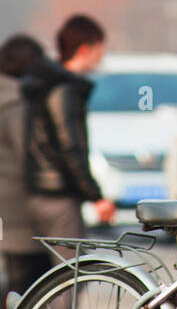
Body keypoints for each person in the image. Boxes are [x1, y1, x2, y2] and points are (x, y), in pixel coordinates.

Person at [21, 14, 115, 252]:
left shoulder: (48, 82)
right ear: (85, 49)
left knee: (54, 279)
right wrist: (96, 196)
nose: (102, 56)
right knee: (70, 279)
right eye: (99, 49)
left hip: (40, 192)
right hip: (58, 197)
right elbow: (70, 147)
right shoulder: (65, 90)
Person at [0, 33, 45, 309]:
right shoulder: (15, 104)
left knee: (19, 274)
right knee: (29, 276)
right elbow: (29, 153)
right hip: (17, 201)